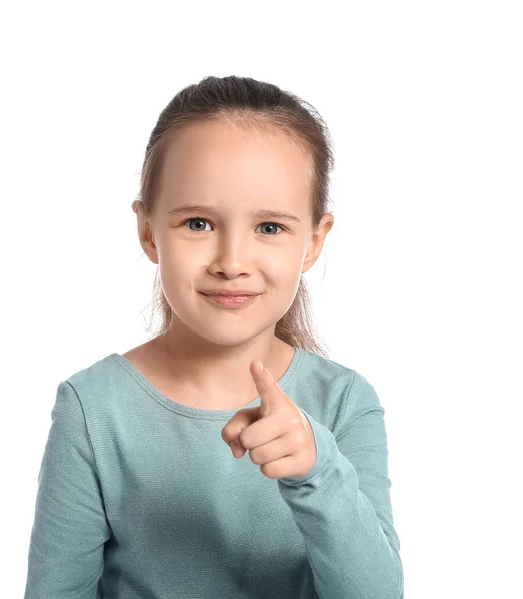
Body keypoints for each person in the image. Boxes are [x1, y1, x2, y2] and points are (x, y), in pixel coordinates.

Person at [24, 75, 404, 599]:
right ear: (148, 231)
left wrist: (316, 471)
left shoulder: (345, 403)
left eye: (270, 228)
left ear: (313, 243)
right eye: (198, 223)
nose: (231, 263)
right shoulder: (93, 408)